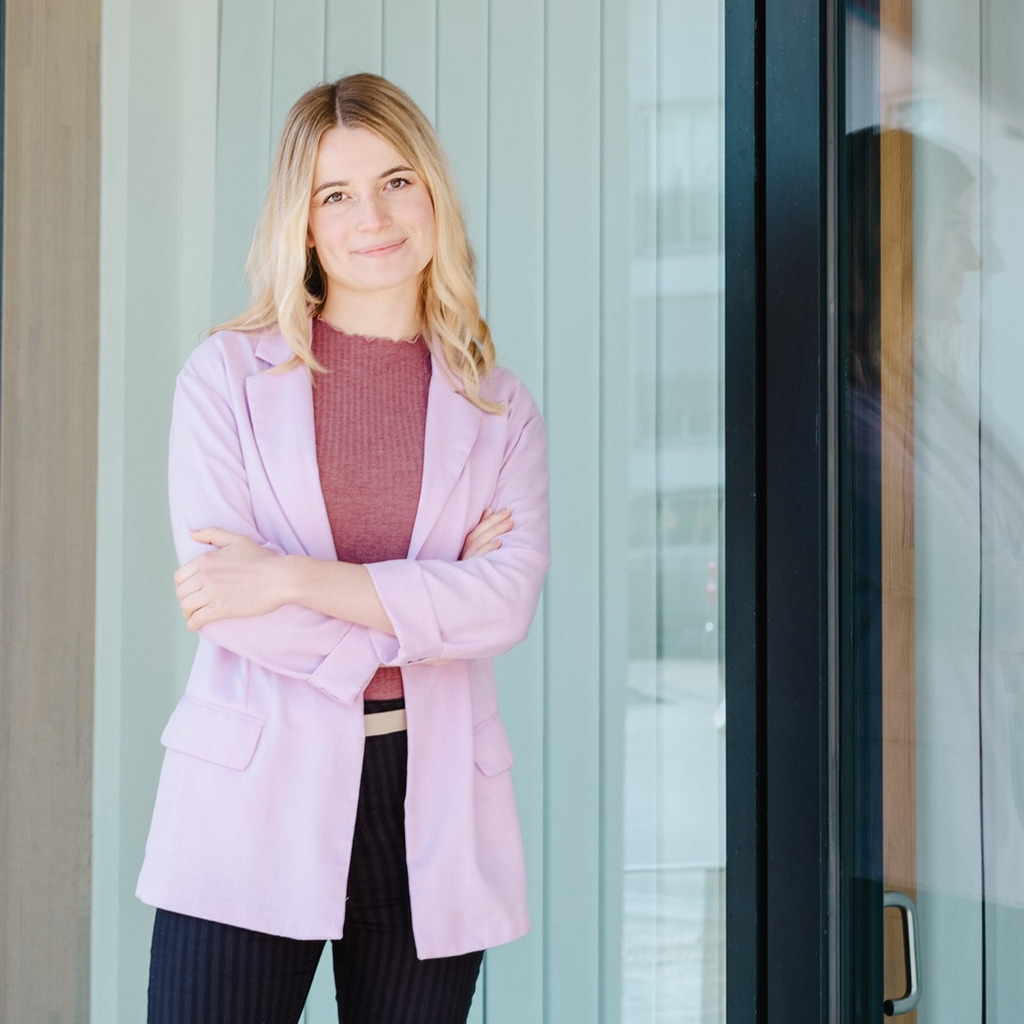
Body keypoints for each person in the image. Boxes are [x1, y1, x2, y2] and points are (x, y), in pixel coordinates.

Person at [136, 72, 550, 1024]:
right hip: (253, 793)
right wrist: (434, 601)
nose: (374, 216)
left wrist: (290, 576)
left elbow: (505, 605)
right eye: (336, 194)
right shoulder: (225, 378)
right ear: (305, 225)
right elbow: (228, 605)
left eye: (397, 181)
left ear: (434, 193)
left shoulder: (499, 405)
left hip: (429, 803)